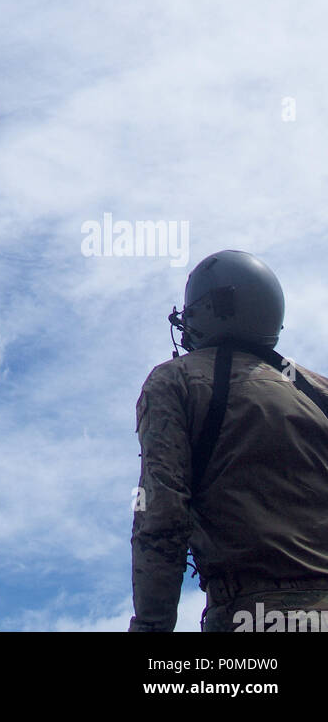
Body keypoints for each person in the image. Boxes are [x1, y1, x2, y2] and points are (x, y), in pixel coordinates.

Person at [129, 250, 328, 633]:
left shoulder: (176, 381)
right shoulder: (319, 392)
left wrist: (151, 625)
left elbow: (162, 514)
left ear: (209, 309)